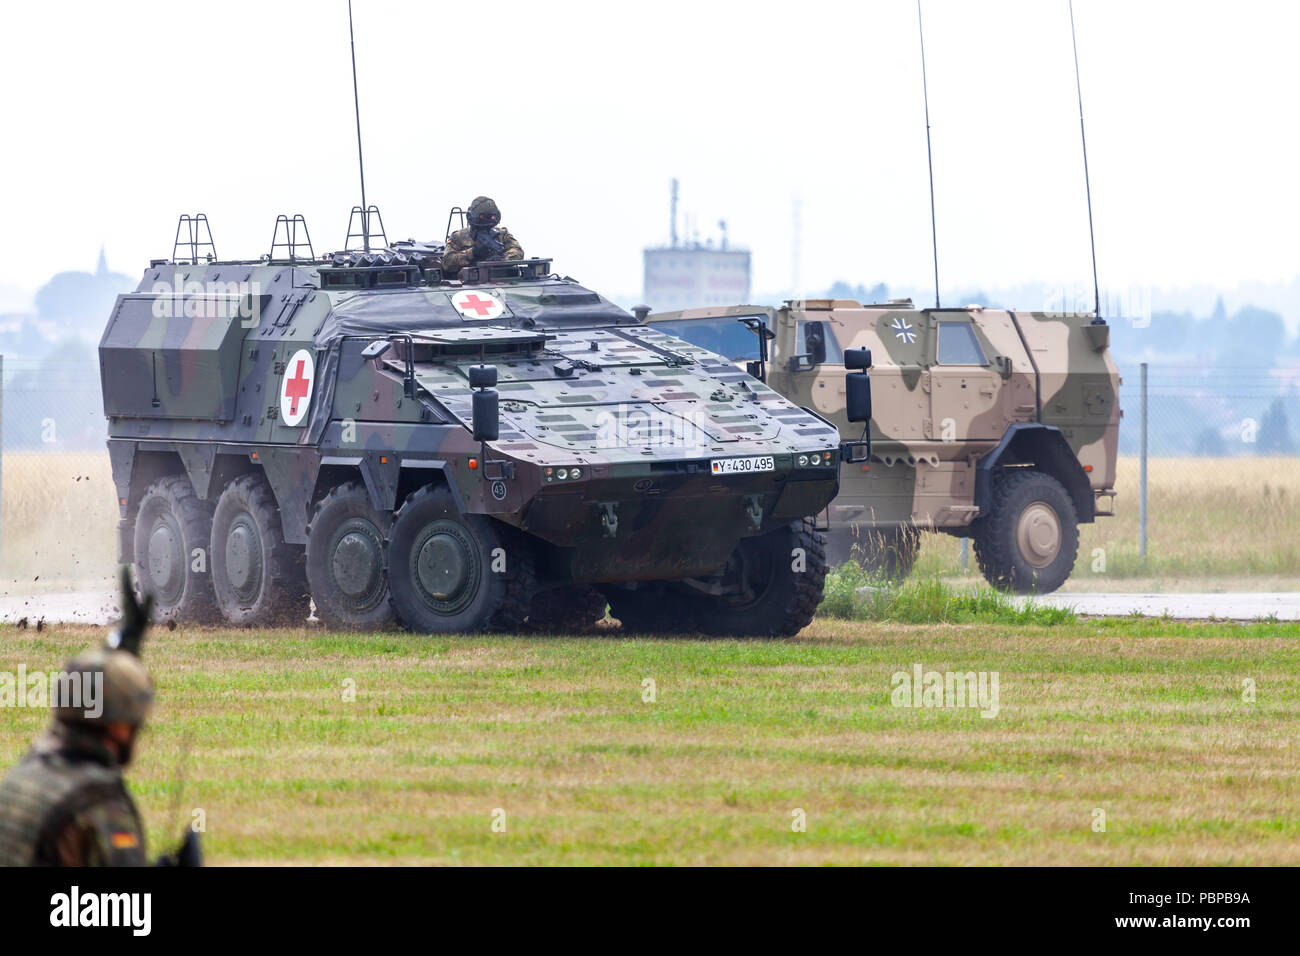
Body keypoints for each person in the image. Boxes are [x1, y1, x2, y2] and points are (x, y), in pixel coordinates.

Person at [0, 569, 200, 866]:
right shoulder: (96, 802)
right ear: (119, 727)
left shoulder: (26, 778)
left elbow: (86, 687)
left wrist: (123, 652)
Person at [441, 196, 524, 274]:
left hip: (500, 279)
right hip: (470, 283)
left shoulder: (502, 234)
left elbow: (518, 251)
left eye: (493, 216)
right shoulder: (458, 237)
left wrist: (503, 259)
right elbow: (447, 263)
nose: (491, 219)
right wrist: (473, 252)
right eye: (484, 216)